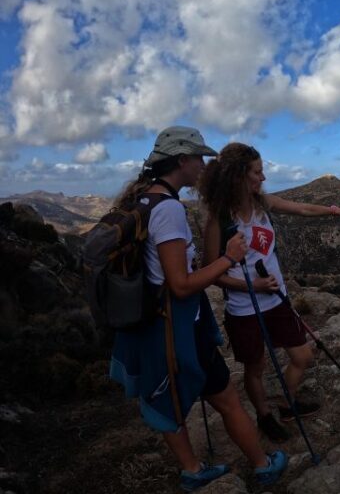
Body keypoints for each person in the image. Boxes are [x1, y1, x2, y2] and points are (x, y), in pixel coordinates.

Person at [108, 127, 288, 492]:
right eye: (199, 159)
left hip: (152, 324)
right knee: (227, 400)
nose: (204, 167)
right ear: (181, 161)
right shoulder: (169, 210)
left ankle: (192, 469)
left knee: (165, 399)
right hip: (177, 327)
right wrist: (228, 258)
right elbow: (181, 284)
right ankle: (263, 465)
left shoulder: (145, 199)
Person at [198, 143, 340, 442]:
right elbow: (212, 274)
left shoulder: (262, 204)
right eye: (257, 172)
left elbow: (302, 208)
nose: (263, 178)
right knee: (255, 367)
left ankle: (287, 404)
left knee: (302, 356)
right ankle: (264, 416)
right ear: (238, 176)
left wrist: (335, 211)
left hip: (277, 299)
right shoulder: (219, 220)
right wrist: (252, 286)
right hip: (244, 308)